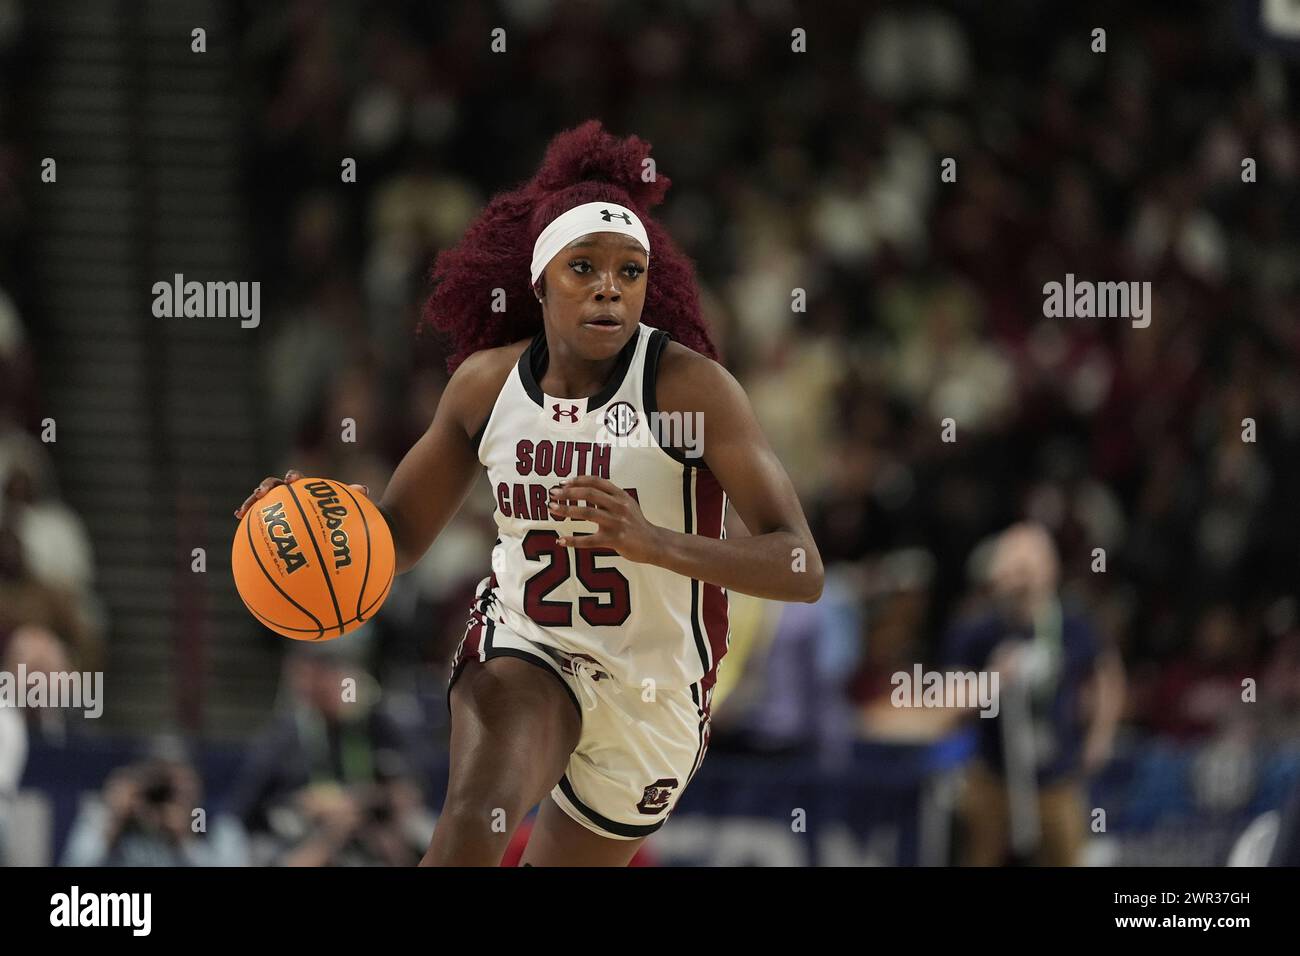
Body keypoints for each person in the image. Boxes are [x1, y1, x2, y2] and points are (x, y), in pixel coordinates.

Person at [235, 120, 824, 865]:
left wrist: (655, 543)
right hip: (530, 644)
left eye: (629, 271)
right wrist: (313, 527)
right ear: (541, 281)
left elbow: (802, 567)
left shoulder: (692, 391)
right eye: (585, 267)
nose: (610, 287)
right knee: (475, 818)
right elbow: (399, 537)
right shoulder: (487, 386)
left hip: (655, 693)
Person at [941, 522, 1125, 866]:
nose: (1020, 583)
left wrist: (1101, 735)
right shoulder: (975, 630)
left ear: (1049, 573)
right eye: (1013, 571)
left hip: (1056, 778)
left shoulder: (1073, 625)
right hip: (992, 777)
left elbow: (1107, 675)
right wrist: (993, 681)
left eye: (1029, 571)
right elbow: (951, 700)